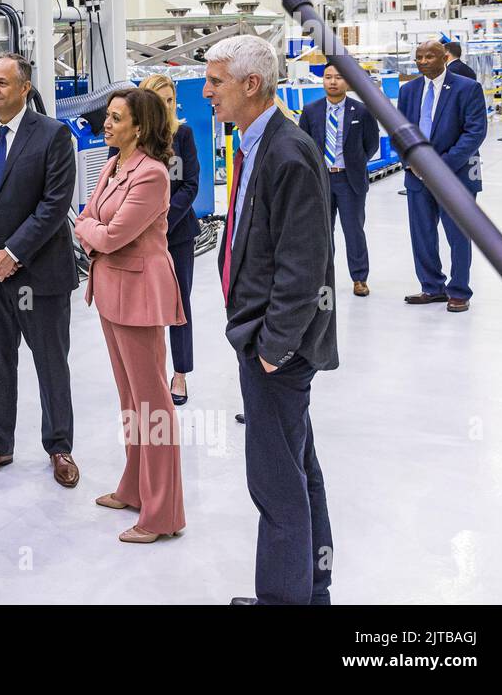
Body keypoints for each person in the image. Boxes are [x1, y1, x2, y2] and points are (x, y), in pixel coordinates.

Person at [203, 35, 336, 605]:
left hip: (277, 348)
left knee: (275, 483)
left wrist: (273, 346)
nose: (206, 92)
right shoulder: (254, 143)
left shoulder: (287, 151)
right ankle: (312, 587)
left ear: (250, 84)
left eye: (215, 82)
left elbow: (303, 263)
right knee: (297, 463)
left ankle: (284, 601)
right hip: (261, 336)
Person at [0, 54, 80, 488]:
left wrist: (14, 253)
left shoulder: (53, 136)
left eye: (2, 83)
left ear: (24, 88)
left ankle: (59, 446)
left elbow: (54, 205)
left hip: (39, 276)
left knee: (50, 364)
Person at [74, 88, 187, 543]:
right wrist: (91, 231)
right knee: (129, 400)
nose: (106, 124)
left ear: (138, 127)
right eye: (107, 116)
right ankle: (135, 487)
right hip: (110, 293)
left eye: (115, 118)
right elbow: (87, 219)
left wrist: (90, 231)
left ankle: (163, 513)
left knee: (152, 405)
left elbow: (111, 235)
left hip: (140, 294)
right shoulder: (114, 164)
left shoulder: (153, 174)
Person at [399, 39, 487, 313]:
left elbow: (475, 132)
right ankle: (432, 287)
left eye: (429, 56)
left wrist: (440, 165)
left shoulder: (467, 88)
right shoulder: (409, 90)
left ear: (444, 58)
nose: (423, 62)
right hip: (417, 177)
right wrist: (411, 161)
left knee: (458, 234)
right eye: (418, 57)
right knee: (422, 234)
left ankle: (459, 290)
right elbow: (398, 130)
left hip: (455, 176)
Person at [140, 74, 200, 406]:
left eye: (170, 100)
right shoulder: (132, 138)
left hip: (176, 235)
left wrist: (161, 220)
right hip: (140, 239)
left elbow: (190, 184)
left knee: (179, 306)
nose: (166, 107)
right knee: (147, 308)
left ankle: (180, 374)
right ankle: (149, 372)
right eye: (158, 100)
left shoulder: (184, 135)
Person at [298, 63, 380, 297]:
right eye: (328, 77)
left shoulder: (361, 111)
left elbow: (371, 144)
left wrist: (354, 163)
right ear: (322, 80)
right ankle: (323, 278)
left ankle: (359, 278)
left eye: (339, 77)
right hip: (320, 181)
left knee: (354, 230)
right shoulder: (311, 110)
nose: (333, 82)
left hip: (350, 181)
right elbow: (303, 143)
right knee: (322, 232)